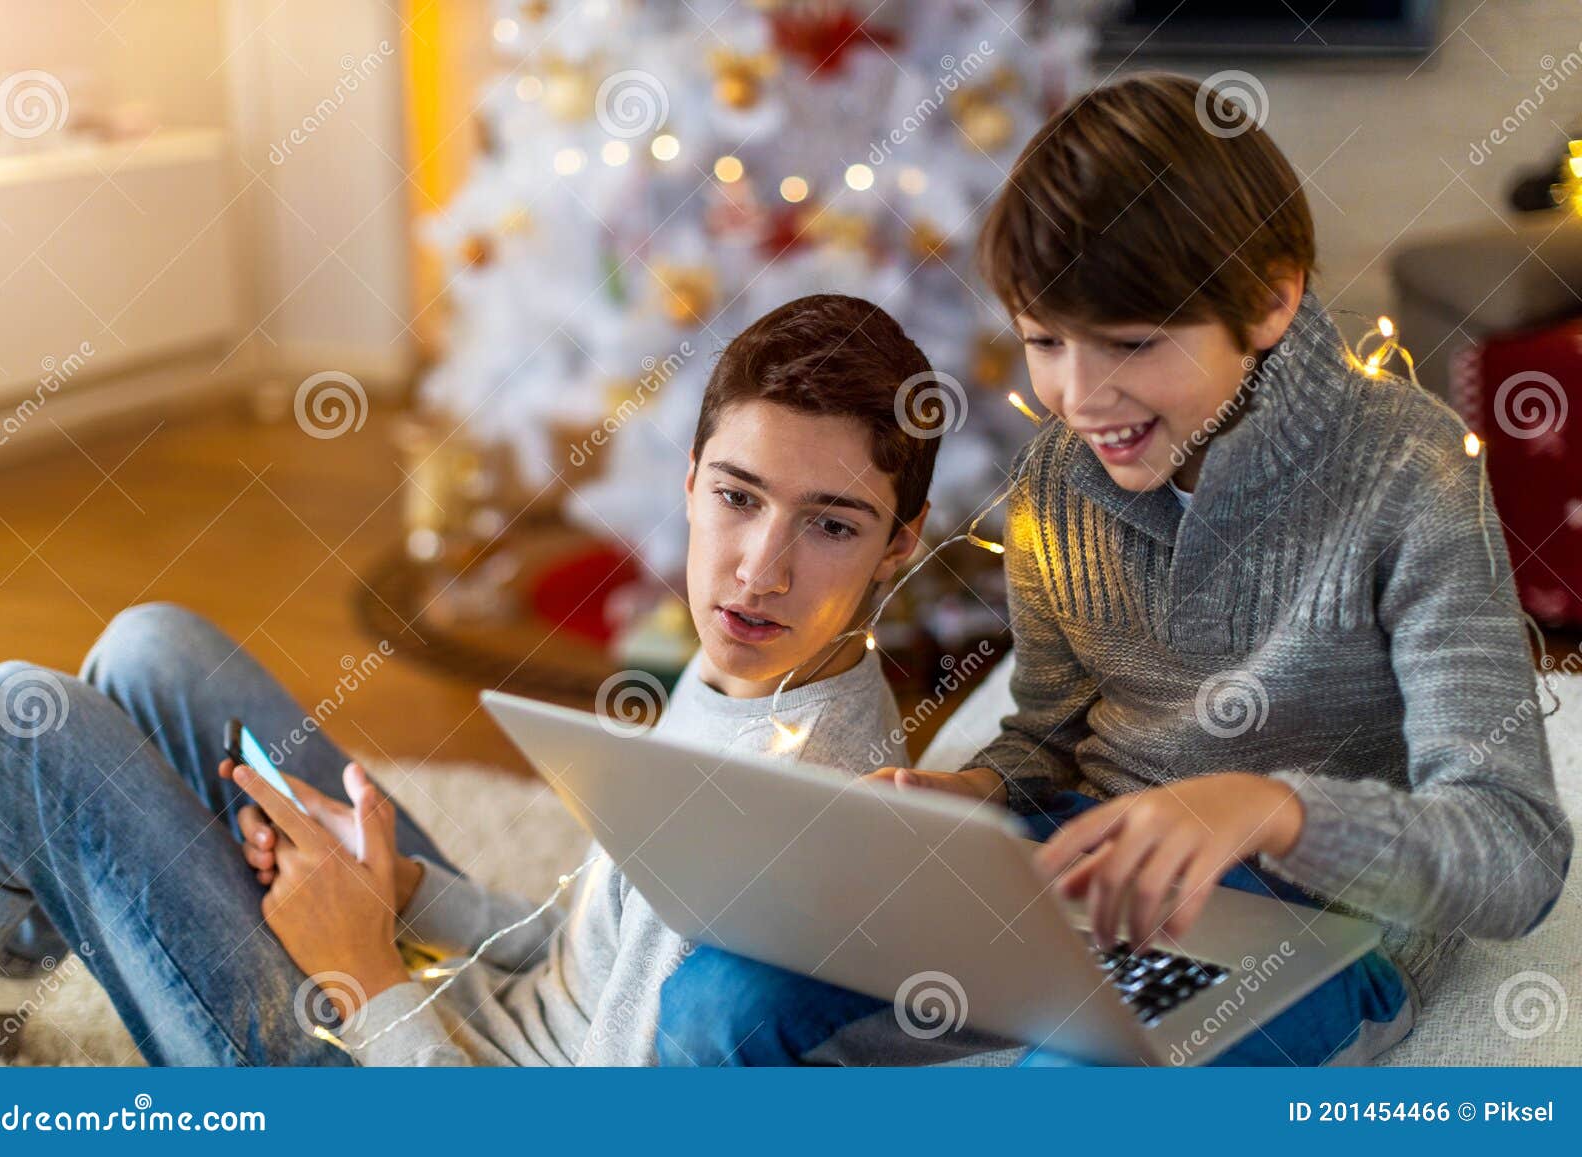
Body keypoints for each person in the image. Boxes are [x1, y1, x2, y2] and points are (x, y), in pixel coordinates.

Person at [654, 71, 1573, 1067]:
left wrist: (1269, 809)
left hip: (1312, 922)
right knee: (719, 998)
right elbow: (1047, 735)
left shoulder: (1410, 471)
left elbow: (1512, 848)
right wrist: (982, 794)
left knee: (1083, 1083)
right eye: (1045, 341)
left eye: (1132, 343)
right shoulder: (1058, 473)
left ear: (1270, 297)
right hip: (1075, 864)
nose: (1080, 396)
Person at [0, 293, 1008, 1066]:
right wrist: (407, 893)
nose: (760, 567)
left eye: (829, 523)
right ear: (691, 479)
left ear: (898, 543)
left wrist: (362, 967)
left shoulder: (815, 797)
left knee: (24, 721)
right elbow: (585, 950)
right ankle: (28, 935)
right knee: (147, 645)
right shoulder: (757, 659)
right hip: (455, 1001)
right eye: (739, 498)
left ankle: (16, 942)